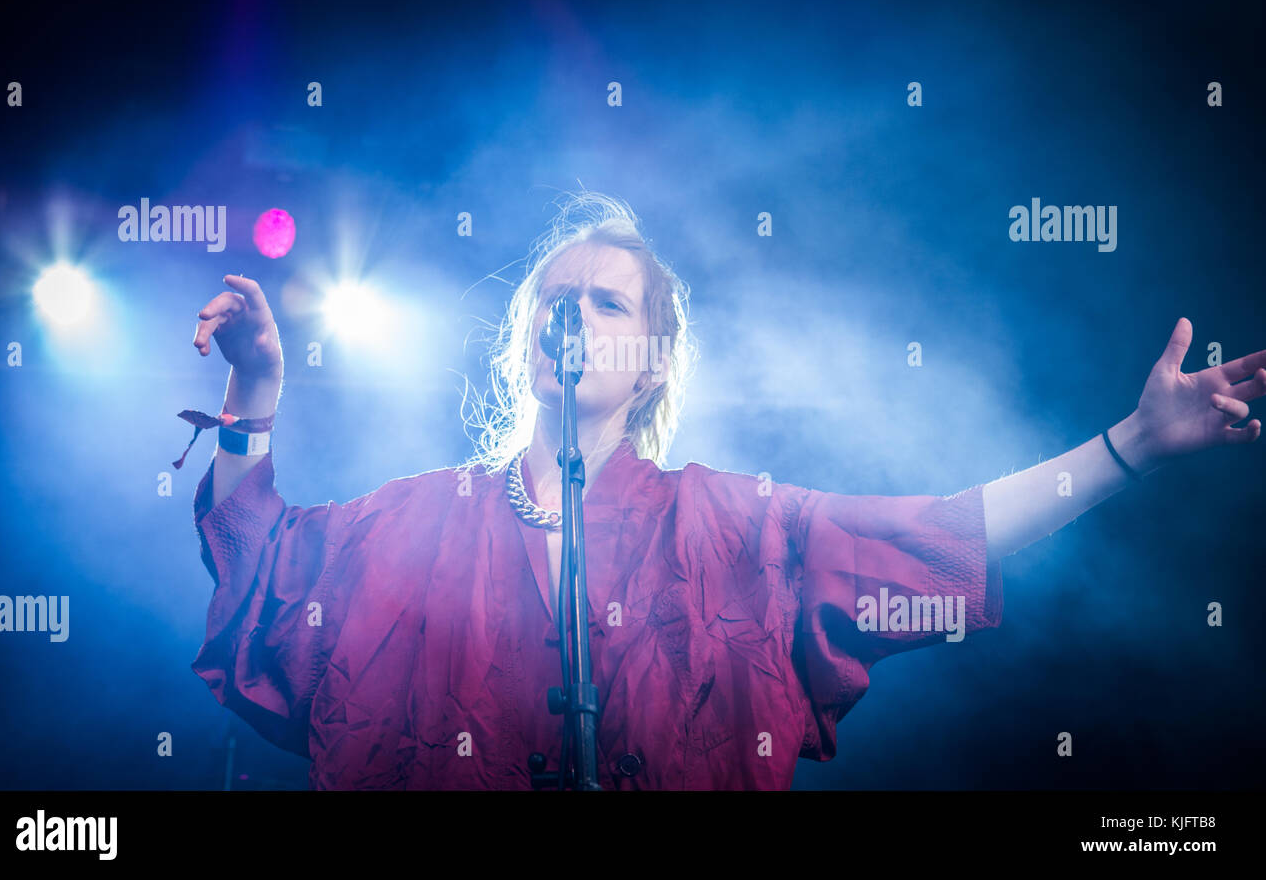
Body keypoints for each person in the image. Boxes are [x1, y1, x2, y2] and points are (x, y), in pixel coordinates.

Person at [182, 194, 1264, 790]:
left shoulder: (734, 527)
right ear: (520, 343)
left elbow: (944, 536)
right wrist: (257, 386)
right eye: (554, 299)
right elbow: (261, 564)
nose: (574, 315)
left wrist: (1131, 442)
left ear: (651, 357)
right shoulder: (408, 521)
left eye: (605, 302)